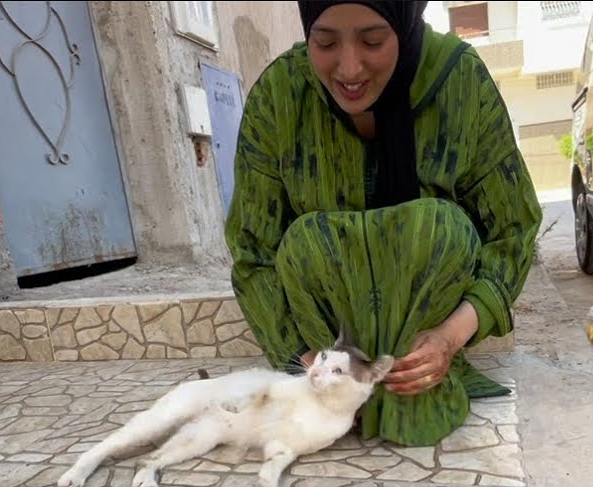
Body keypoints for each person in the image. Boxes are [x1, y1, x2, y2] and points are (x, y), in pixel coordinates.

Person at [224, 0, 541, 447]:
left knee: (441, 228)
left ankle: (418, 384)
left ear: (405, 25)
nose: (349, 68)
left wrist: (449, 338)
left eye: (372, 41)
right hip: (329, 353)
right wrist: (314, 365)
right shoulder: (280, 95)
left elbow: (512, 230)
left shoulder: (459, 80)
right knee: (305, 242)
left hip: (430, 337)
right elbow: (253, 251)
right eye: (325, 42)